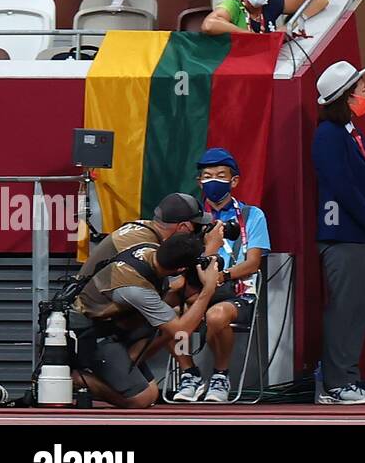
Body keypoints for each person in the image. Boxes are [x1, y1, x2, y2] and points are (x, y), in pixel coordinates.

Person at [68, 230, 218, 409]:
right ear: (181, 269)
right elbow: (180, 331)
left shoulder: (150, 249)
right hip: (88, 335)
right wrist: (208, 288)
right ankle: (75, 377)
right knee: (143, 398)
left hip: (112, 324)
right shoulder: (136, 289)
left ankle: (121, 369)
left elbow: (167, 290)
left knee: (152, 389)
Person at [313, 59, 365, 404]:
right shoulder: (327, 135)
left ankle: (347, 380)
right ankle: (337, 384)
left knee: (357, 310)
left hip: (361, 234)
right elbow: (341, 185)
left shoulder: (351, 132)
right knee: (345, 310)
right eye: (360, 89)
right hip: (343, 236)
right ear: (345, 97)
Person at [171, 147, 271, 402]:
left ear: (234, 180)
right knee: (167, 315)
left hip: (235, 291)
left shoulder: (252, 215)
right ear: (199, 182)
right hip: (196, 291)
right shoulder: (190, 219)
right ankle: (189, 373)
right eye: (206, 176)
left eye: (220, 175)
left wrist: (221, 277)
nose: (212, 181)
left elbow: (253, 263)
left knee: (216, 316)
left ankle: (220, 375)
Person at [77, 191, 216, 285]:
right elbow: (174, 287)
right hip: (90, 317)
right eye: (196, 227)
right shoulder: (146, 247)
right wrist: (210, 250)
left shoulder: (144, 227)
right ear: (183, 227)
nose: (196, 233)